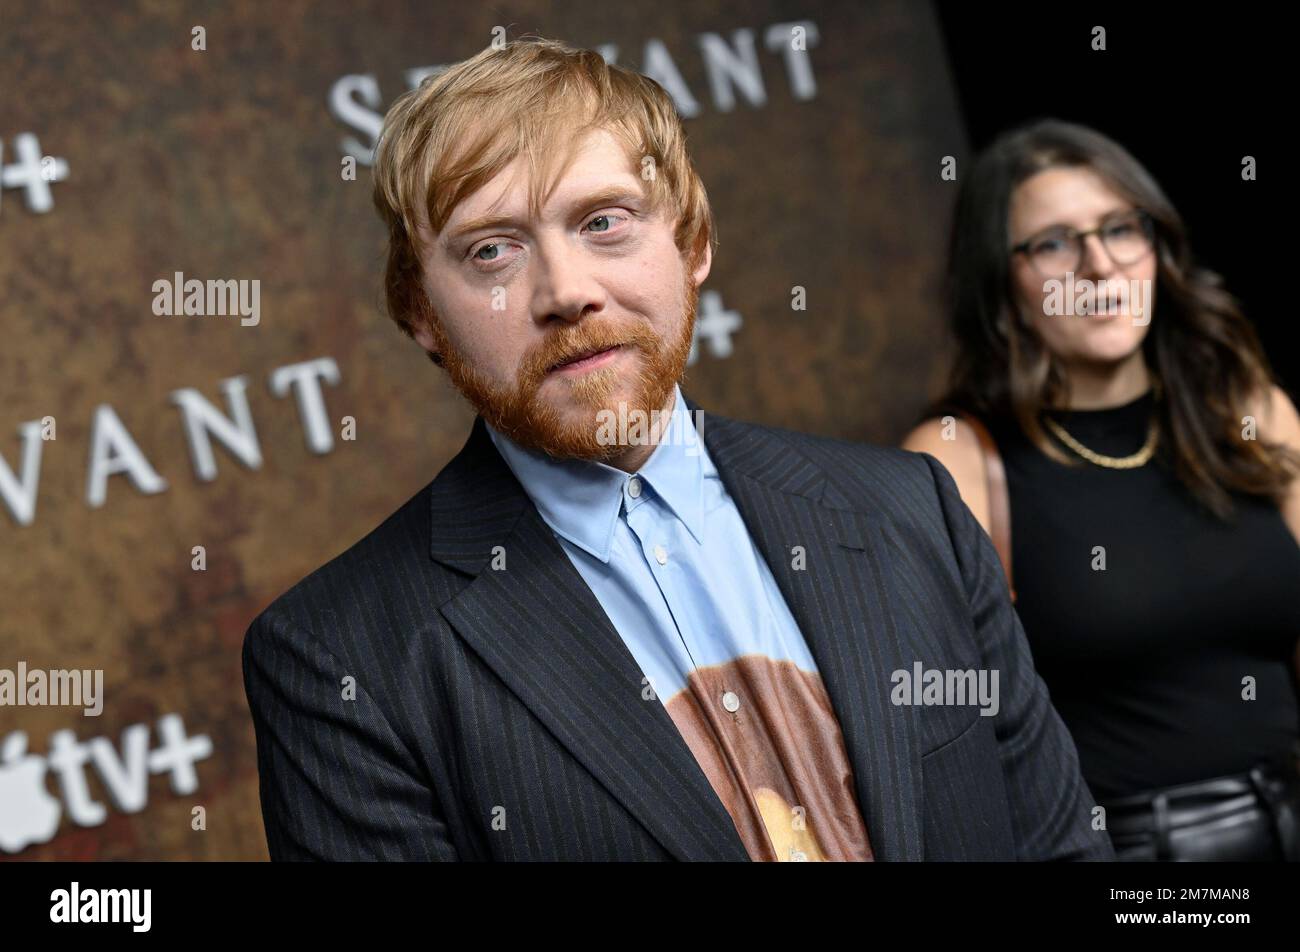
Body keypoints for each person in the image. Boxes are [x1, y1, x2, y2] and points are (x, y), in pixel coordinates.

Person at [242, 39, 1111, 861]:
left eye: (605, 221)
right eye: (493, 250)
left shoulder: (909, 511)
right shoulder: (338, 657)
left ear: (693, 243)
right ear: (421, 315)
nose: (567, 292)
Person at [904, 119, 1300, 861]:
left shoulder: (1248, 407)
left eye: (1122, 228)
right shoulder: (957, 456)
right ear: (1003, 284)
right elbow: (940, 721)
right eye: (1054, 244)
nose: (1100, 267)